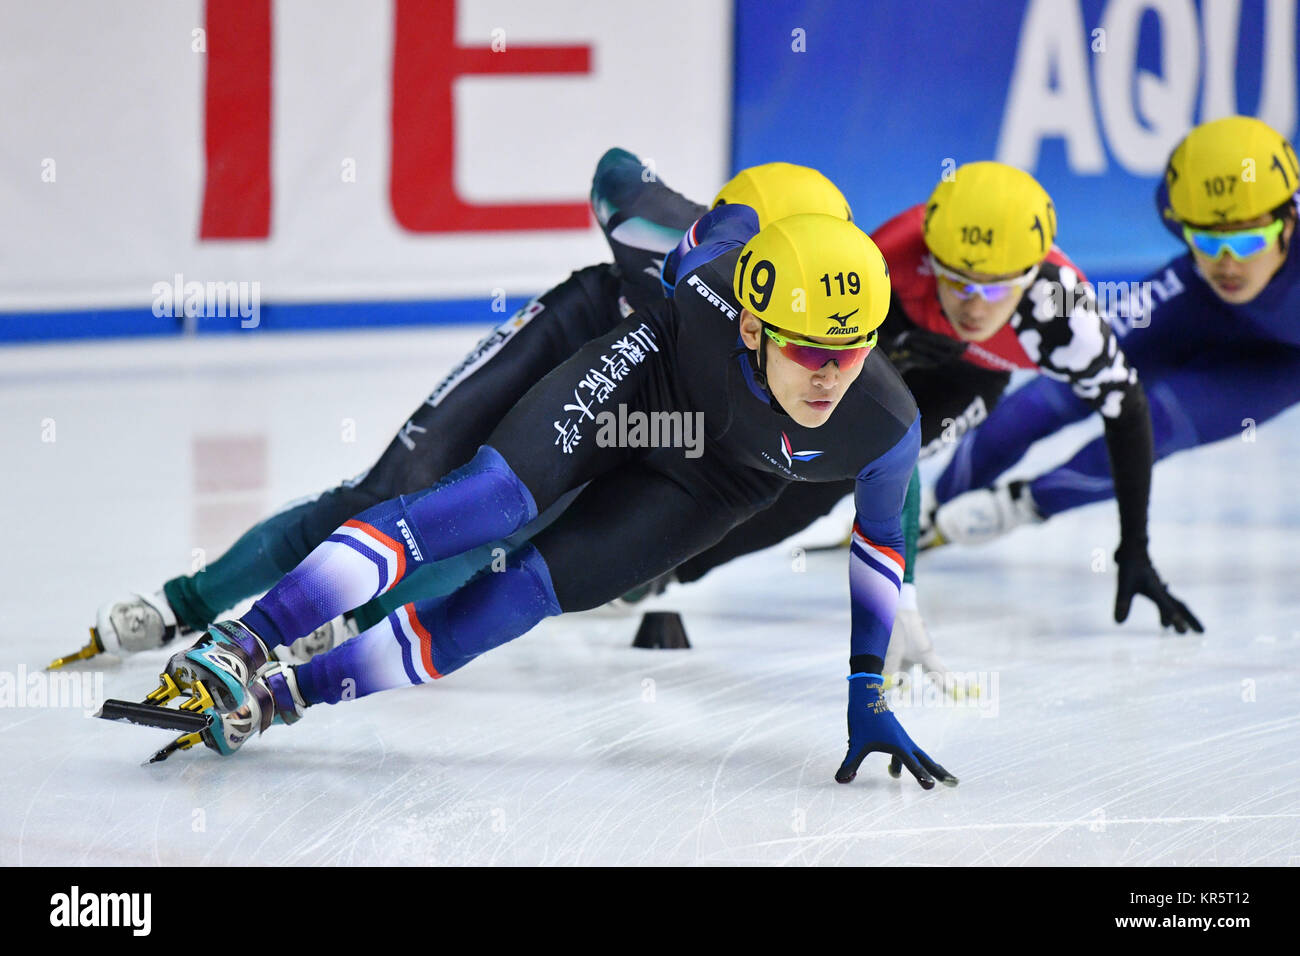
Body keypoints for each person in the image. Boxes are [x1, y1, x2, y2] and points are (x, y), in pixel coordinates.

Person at [134, 210, 957, 789]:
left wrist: (865, 696)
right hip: (648, 382)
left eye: (850, 353)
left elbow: (879, 543)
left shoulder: (883, 425)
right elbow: (634, 188)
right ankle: (244, 639)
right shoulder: (712, 279)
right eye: (811, 349)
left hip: (716, 478)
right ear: (751, 325)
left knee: (507, 604)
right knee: (488, 503)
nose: (830, 378)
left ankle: (284, 698)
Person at [53, 152, 850, 666]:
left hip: (645, 407)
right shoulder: (674, 238)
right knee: (397, 492)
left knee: (492, 543)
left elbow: (880, 444)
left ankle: (336, 623)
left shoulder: (815, 329)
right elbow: (615, 171)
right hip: (577, 338)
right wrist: (666, 240)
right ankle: (181, 605)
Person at [636, 161, 1201, 646]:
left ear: (1033, 277)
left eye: (997, 289)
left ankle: (669, 568)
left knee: (819, 488)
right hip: (878, 349)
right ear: (932, 258)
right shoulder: (890, 259)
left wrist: (1135, 546)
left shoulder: (1065, 314)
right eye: (957, 282)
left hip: (970, 379)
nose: (974, 308)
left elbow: (1125, 409)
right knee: (766, 450)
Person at [928, 116, 1299, 610]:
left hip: (1283, 362)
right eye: (1207, 240)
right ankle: (934, 504)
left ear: (1288, 222)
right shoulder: (1199, 253)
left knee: (1161, 419)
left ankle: (1017, 507)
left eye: (1246, 241)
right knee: (1068, 383)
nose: (1227, 263)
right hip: (1197, 302)